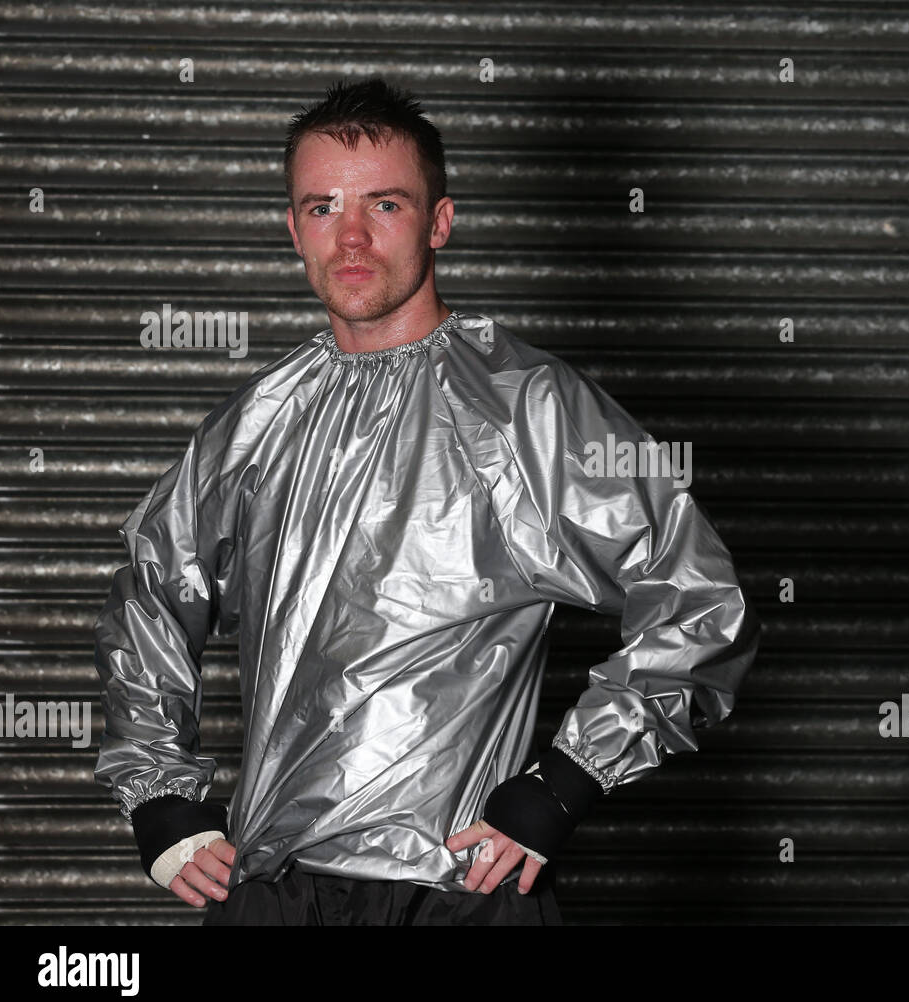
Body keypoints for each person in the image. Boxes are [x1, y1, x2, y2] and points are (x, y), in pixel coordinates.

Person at [92, 77, 760, 926]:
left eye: (387, 204)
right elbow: (151, 589)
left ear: (439, 222)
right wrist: (157, 795)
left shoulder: (528, 409)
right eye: (324, 206)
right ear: (294, 228)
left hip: (458, 891)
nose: (354, 236)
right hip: (272, 889)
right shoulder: (255, 423)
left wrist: (566, 782)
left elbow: (699, 598)